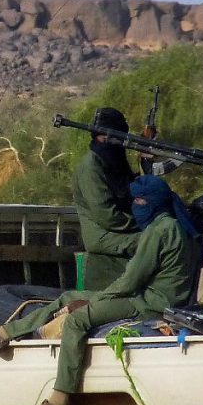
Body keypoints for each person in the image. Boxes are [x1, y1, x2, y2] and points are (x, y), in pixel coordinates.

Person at [0, 175, 202, 405]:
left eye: (140, 201)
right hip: (152, 299)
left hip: (150, 305)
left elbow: (131, 281)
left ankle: (59, 401)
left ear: (153, 202)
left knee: (76, 321)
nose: (136, 205)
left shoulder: (161, 230)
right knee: (68, 296)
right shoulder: (179, 227)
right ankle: (1, 334)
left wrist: (99, 298)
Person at [73, 107, 140, 290]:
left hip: (119, 231)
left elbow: (133, 192)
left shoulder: (112, 162)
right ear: (103, 136)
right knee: (161, 241)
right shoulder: (92, 167)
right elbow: (107, 216)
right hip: (104, 235)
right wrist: (143, 223)